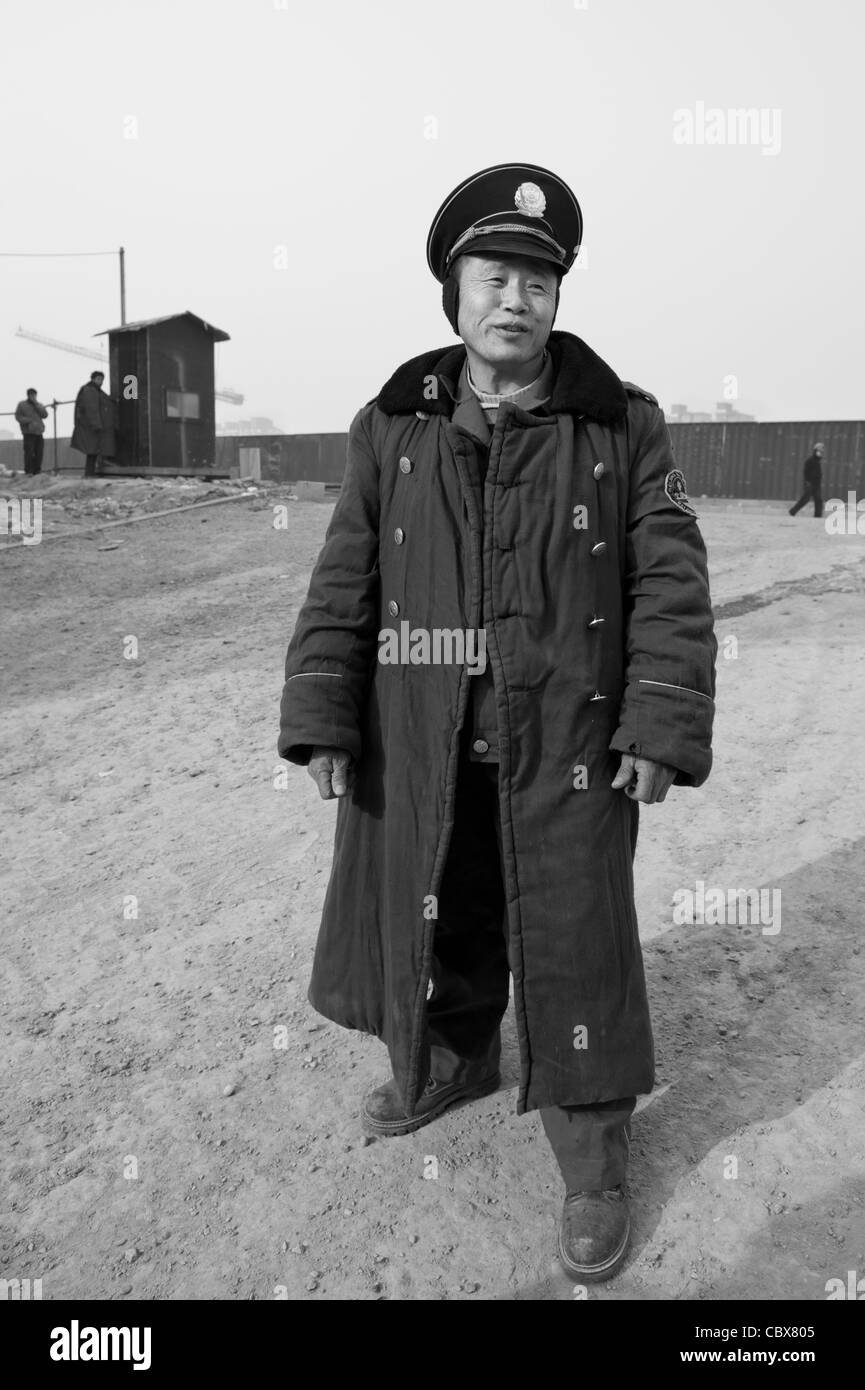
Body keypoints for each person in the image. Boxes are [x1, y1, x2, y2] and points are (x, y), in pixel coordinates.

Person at [277, 162, 717, 1284]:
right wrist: (326, 714)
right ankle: (455, 1059)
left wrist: (657, 722)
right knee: (444, 906)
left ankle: (591, 1159)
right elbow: (347, 576)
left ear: (557, 299)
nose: (512, 298)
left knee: (573, 941)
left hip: (568, 743)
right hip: (422, 735)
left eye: (534, 278)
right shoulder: (395, 420)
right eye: (492, 275)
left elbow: (669, 578)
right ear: (455, 294)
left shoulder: (620, 424)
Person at [70, 370, 116, 477]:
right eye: (99, 379)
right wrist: (96, 424)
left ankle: (90, 473)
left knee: (93, 451)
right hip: (92, 427)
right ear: (93, 379)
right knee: (92, 451)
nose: (101, 382)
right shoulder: (90, 390)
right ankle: (89, 473)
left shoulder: (95, 390)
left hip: (92, 426)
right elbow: (92, 409)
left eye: (102, 379)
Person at [14, 388, 48, 475]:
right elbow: (18, 417)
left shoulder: (39, 404)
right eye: (31, 395)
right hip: (28, 433)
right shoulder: (22, 405)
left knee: (39, 452)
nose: (33, 396)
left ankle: (37, 471)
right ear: (28, 395)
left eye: (34, 395)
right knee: (29, 452)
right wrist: (29, 421)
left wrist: (37, 405)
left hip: (39, 432)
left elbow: (45, 415)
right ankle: (28, 471)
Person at [789, 442, 824, 517]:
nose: (821, 452)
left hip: (816, 484)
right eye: (820, 450)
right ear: (816, 450)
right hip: (810, 484)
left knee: (818, 500)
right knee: (805, 499)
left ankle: (818, 515)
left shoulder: (818, 461)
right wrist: (807, 482)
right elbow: (806, 472)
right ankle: (792, 511)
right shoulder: (810, 460)